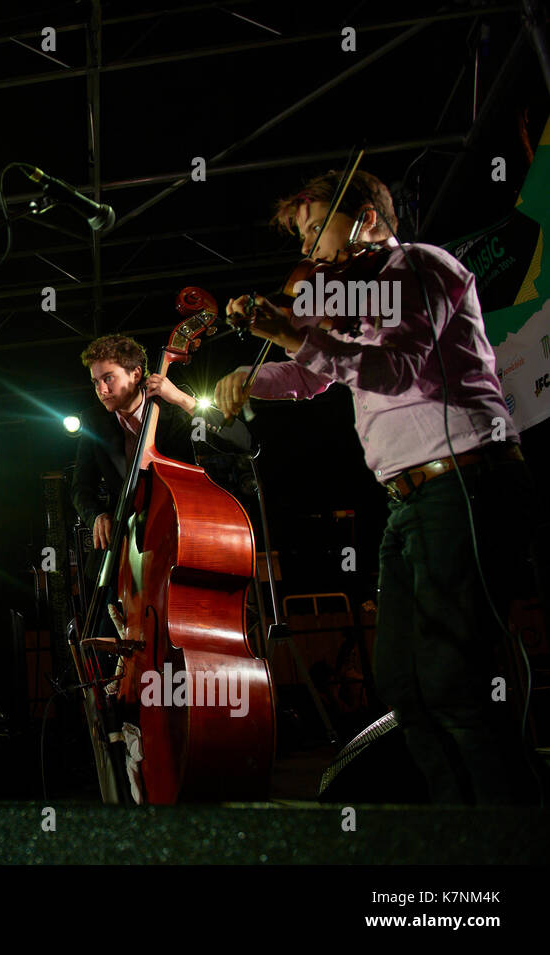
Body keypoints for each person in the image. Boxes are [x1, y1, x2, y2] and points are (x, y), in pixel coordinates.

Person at [211, 169, 538, 804]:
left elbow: (395, 370)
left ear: (362, 216)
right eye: (301, 238)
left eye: (314, 230)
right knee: (403, 683)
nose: (308, 252)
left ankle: (511, 831)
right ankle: (456, 827)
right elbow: (315, 377)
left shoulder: (419, 266)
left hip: (466, 479)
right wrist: (252, 380)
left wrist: (292, 333)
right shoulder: (356, 300)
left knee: (456, 679)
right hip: (412, 501)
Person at [72, 334, 250, 552]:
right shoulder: (94, 421)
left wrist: (183, 400)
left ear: (136, 374)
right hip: (126, 539)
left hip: (181, 527)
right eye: (96, 382)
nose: (101, 390)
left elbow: (242, 441)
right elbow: (81, 486)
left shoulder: (174, 406)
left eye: (108, 378)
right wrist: (97, 515)